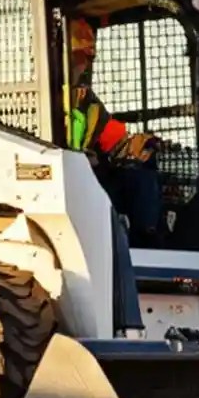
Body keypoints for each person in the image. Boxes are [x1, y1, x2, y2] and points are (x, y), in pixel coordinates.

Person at [64, 17, 166, 246]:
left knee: (142, 176)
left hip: (94, 179)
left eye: (88, 58)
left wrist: (137, 145)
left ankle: (147, 241)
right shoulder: (39, 99)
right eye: (78, 57)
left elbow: (115, 142)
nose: (83, 65)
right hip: (64, 184)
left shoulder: (88, 103)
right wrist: (78, 159)